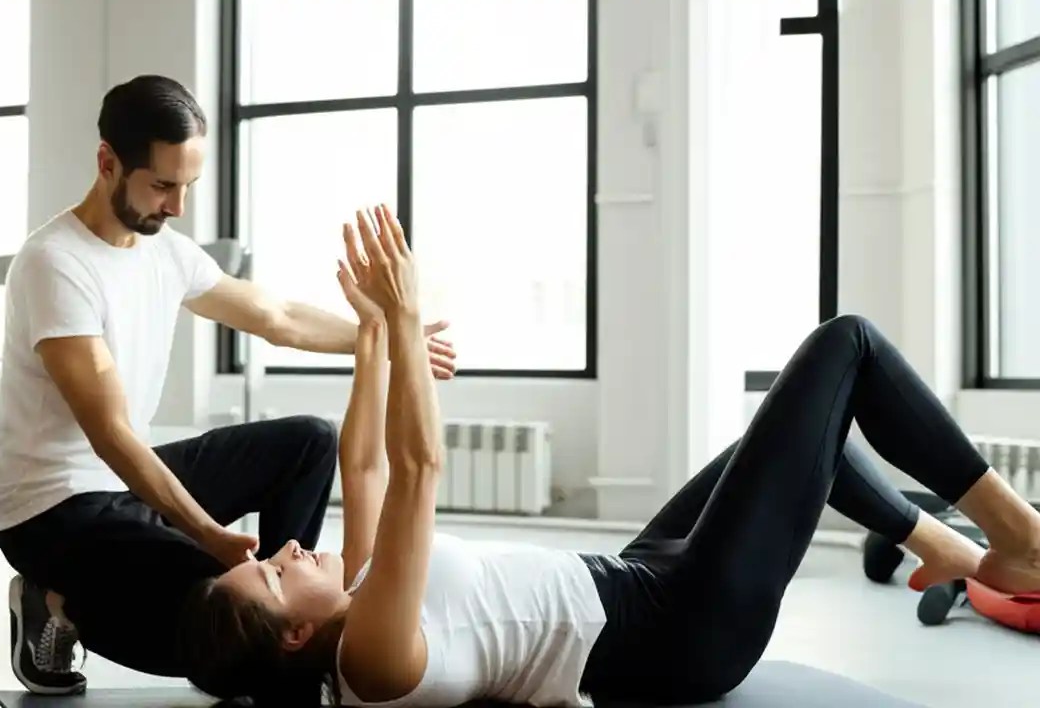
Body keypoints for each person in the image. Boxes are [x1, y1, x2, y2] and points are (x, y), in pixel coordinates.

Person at [179, 205, 1040, 707]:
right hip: (681, 630)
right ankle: (1019, 538)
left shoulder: (364, 601)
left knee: (783, 442)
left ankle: (948, 549)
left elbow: (367, 465)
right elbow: (417, 472)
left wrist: (373, 332)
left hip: (634, 578)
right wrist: (404, 322)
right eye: (276, 574)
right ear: (296, 634)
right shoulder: (373, 660)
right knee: (845, 345)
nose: (285, 548)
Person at [0, 75, 457, 695]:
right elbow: (111, 435)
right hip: (52, 509)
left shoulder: (167, 252)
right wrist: (210, 538)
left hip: (123, 484)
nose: (177, 206)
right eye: (162, 185)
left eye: (188, 185)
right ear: (107, 163)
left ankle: (288, 621)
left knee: (308, 444)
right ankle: (55, 603)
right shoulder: (56, 263)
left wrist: (394, 338)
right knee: (214, 618)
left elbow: (278, 318)